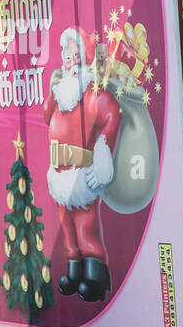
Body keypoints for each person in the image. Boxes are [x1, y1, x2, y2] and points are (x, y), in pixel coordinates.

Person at [43, 27, 123, 302]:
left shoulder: (93, 95)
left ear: (86, 59)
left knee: (85, 224)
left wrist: (102, 154)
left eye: (76, 56)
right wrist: (54, 92)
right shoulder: (61, 93)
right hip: (59, 172)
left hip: (81, 172)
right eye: (67, 57)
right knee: (66, 225)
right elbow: (46, 115)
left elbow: (111, 114)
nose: (71, 62)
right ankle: (74, 270)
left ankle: (95, 274)